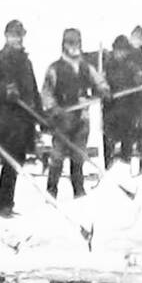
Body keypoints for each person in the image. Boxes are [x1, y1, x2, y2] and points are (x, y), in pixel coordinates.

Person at [41, 28, 109, 198]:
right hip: (63, 117)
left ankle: (78, 189)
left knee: (78, 155)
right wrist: (53, 109)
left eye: (76, 43)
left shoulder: (86, 67)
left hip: (81, 118)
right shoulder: (54, 68)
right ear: (64, 45)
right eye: (70, 43)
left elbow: (99, 82)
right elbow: (47, 93)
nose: (74, 47)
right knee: (57, 156)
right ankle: (51, 190)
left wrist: (104, 90)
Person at [0, 19, 40, 216]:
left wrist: (40, 116)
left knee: (17, 161)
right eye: (14, 35)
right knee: (10, 161)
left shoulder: (26, 61)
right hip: (8, 119)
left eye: (20, 35)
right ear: (6, 36)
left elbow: (33, 90)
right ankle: (0, 205)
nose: (17, 39)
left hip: (25, 119)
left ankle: (6, 203)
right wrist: (5, 91)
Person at [102, 35, 139, 169]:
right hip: (111, 110)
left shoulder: (132, 67)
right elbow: (102, 85)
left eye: (122, 51)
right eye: (118, 50)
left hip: (127, 112)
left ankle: (124, 167)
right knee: (107, 142)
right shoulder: (108, 65)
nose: (120, 54)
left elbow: (137, 90)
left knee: (127, 143)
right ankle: (108, 167)